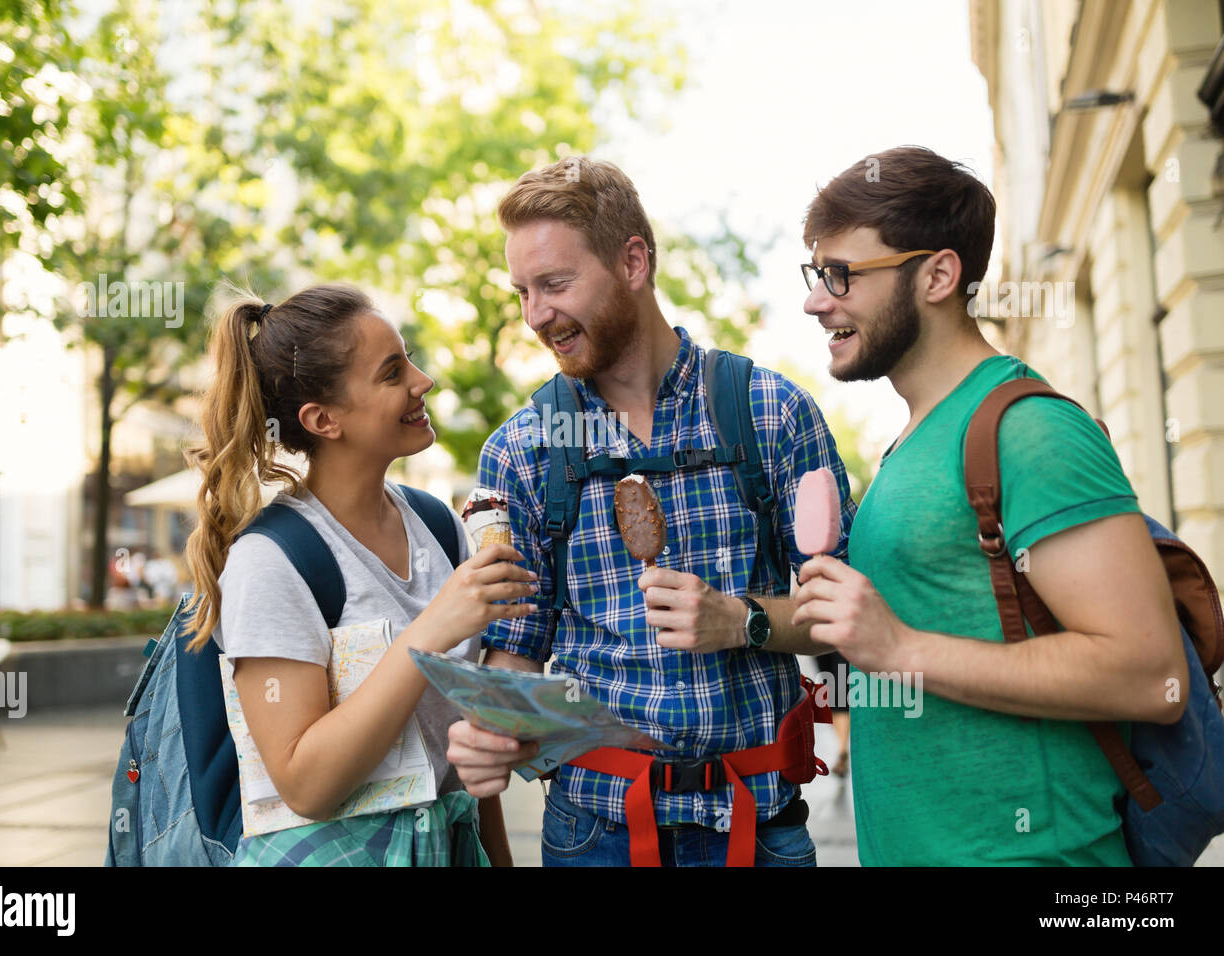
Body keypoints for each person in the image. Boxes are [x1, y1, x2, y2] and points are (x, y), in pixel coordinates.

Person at [446, 157, 856, 867]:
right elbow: (515, 651)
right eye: (522, 292)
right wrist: (492, 735)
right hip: (594, 831)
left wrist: (739, 620)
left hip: (757, 826)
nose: (536, 314)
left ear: (634, 261)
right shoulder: (520, 451)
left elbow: (842, 616)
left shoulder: (770, 413)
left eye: (555, 284)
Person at [792, 146, 1188, 865]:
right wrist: (737, 619)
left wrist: (901, 649)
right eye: (817, 275)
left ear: (939, 275)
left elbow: (1148, 674)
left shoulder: (1029, 427)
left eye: (843, 274)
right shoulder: (910, 443)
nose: (818, 300)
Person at [183, 282, 539, 866]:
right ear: (323, 419)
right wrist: (431, 631)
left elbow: (463, 758)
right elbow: (306, 785)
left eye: (410, 361)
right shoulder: (272, 560)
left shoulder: (438, 526)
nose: (422, 381)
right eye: (392, 372)